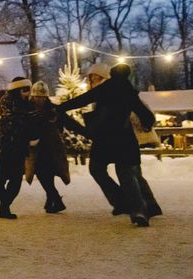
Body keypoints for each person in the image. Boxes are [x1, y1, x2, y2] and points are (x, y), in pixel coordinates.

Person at [57, 62, 162, 227]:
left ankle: (121, 202)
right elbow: (144, 112)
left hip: (105, 139)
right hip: (125, 138)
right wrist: (148, 123)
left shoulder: (106, 88)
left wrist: (60, 108)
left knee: (98, 169)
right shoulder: (128, 90)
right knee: (127, 174)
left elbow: (83, 99)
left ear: (110, 75)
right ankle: (139, 210)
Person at [27, 81, 82, 213]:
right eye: (36, 96)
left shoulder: (53, 110)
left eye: (41, 97)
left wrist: (87, 132)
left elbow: (70, 123)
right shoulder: (29, 110)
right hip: (37, 147)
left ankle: (54, 199)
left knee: (46, 172)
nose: (38, 99)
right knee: (42, 172)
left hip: (51, 147)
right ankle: (53, 199)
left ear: (46, 97)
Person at [0, 77, 39, 219]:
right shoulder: (6, 101)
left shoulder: (28, 105)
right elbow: (12, 119)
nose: (27, 93)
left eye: (29, 90)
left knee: (16, 180)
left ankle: (4, 207)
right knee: (3, 176)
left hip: (19, 145)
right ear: (17, 90)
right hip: (3, 145)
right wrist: (30, 116)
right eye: (24, 90)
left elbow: (32, 121)